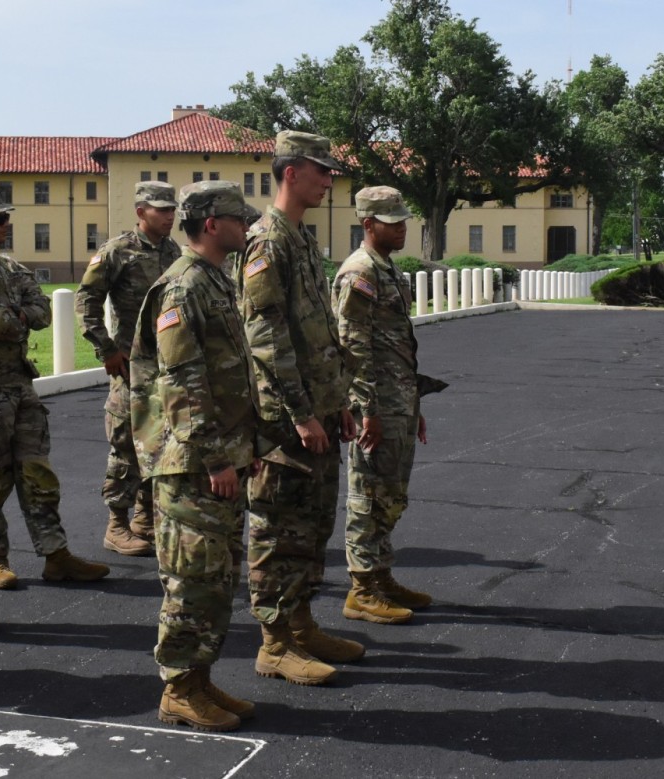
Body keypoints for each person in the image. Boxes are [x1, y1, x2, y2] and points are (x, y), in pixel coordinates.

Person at [130, 180, 265, 732]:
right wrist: (214, 459)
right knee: (190, 580)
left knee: (215, 577)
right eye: (239, 219)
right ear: (211, 224)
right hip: (188, 464)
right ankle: (180, 689)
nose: (247, 227)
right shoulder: (183, 288)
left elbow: (231, 375)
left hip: (218, 454)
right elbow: (182, 382)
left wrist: (243, 447)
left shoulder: (215, 280)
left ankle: (200, 680)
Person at [231, 131, 360, 686]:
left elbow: (321, 331)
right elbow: (266, 337)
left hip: (318, 411)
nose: (330, 180)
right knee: (277, 530)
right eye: (321, 170)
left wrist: (339, 403)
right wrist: (302, 413)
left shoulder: (301, 240)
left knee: (312, 527)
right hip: (286, 420)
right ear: (291, 173)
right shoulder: (266, 242)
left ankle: (302, 624)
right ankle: (275, 642)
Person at [0, 191, 110, 589]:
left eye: (6, 217)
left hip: (21, 385)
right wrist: (11, 317)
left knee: (38, 472)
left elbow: (41, 313)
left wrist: (7, 316)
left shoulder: (13, 268)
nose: (4, 224)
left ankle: (55, 554)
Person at [334, 186, 437, 624]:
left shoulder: (387, 269)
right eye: (392, 221)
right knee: (368, 496)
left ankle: (380, 576)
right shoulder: (360, 272)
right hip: (374, 406)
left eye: (402, 220)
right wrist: (366, 409)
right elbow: (352, 347)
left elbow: (395, 346)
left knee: (391, 496)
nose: (402, 228)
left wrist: (413, 403)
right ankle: (361, 590)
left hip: (397, 402)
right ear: (367, 224)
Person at [76, 181, 181, 556]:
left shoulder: (173, 250)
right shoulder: (117, 251)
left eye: (172, 209)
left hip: (165, 366)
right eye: (161, 209)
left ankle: (144, 519)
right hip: (129, 365)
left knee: (160, 441)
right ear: (141, 212)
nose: (170, 216)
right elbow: (86, 300)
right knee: (125, 441)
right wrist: (106, 349)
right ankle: (116, 524)